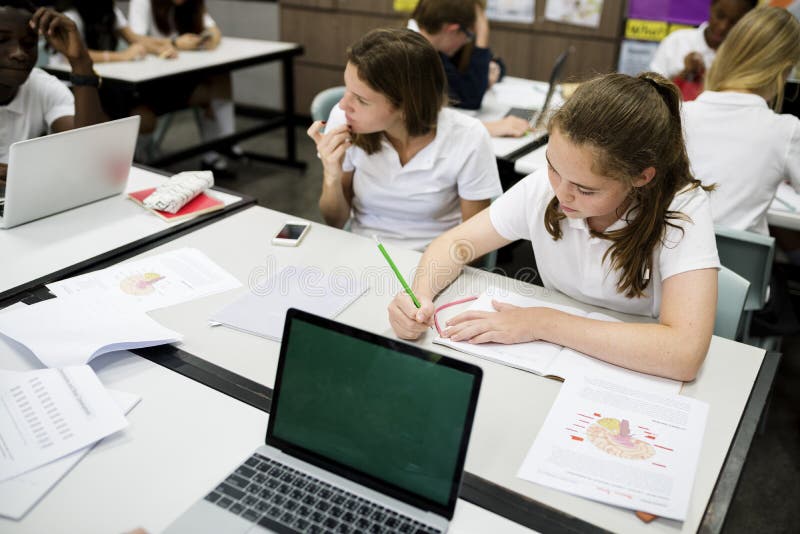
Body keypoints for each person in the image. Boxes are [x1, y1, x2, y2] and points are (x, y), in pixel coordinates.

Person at [388, 72, 720, 382]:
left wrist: (542, 322)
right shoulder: (547, 188)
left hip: (635, 369)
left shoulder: (682, 209)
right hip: (557, 362)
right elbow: (456, 244)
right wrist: (418, 294)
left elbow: (683, 353)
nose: (561, 195)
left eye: (586, 189)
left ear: (641, 177)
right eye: (552, 167)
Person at [307, 28, 502, 252]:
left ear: (408, 107)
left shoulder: (469, 137)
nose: (343, 105)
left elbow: (474, 243)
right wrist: (331, 174)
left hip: (437, 259)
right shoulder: (344, 119)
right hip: (365, 251)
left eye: (360, 99)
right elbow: (335, 221)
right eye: (347, 89)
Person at [683, 6, 800, 237]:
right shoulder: (786, 130)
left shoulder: (679, 114)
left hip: (669, 266)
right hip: (740, 270)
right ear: (784, 70)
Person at [127, 0, 240, 174]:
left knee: (220, 76)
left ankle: (223, 143)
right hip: (153, 82)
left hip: (183, 75)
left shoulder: (192, 5)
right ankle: (221, 145)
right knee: (212, 85)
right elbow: (135, 40)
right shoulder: (142, 2)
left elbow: (213, 29)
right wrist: (174, 43)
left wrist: (210, 39)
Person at [0, 1, 106, 182]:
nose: (19, 53)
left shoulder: (42, 85)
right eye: (1, 40)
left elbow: (90, 153)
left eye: (28, 43)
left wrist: (80, 62)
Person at [408, 0, 530, 138]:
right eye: (469, 36)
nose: (467, 42)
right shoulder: (409, 55)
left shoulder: (433, 47)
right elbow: (419, 122)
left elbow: (495, 65)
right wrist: (487, 128)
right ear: (452, 29)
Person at [649, 0, 756, 85]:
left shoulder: (745, 57)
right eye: (720, 15)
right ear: (712, 6)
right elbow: (651, 90)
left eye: (734, 22)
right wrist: (684, 76)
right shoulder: (677, 41)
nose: (722, 26)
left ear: (746, 21)